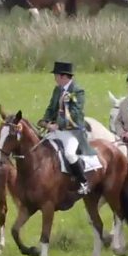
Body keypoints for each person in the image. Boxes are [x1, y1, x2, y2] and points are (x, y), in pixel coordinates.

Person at [39, 61, 91, 195]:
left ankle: (83, 182)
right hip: (57, 130)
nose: (54, 79)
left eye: (55, 76)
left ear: (63, 76)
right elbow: (51, 108)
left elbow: (75, 113)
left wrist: (58, 124)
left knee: (69, 153)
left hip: (72, 131)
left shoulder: (77, 91)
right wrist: (45, 120)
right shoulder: (58, 90)